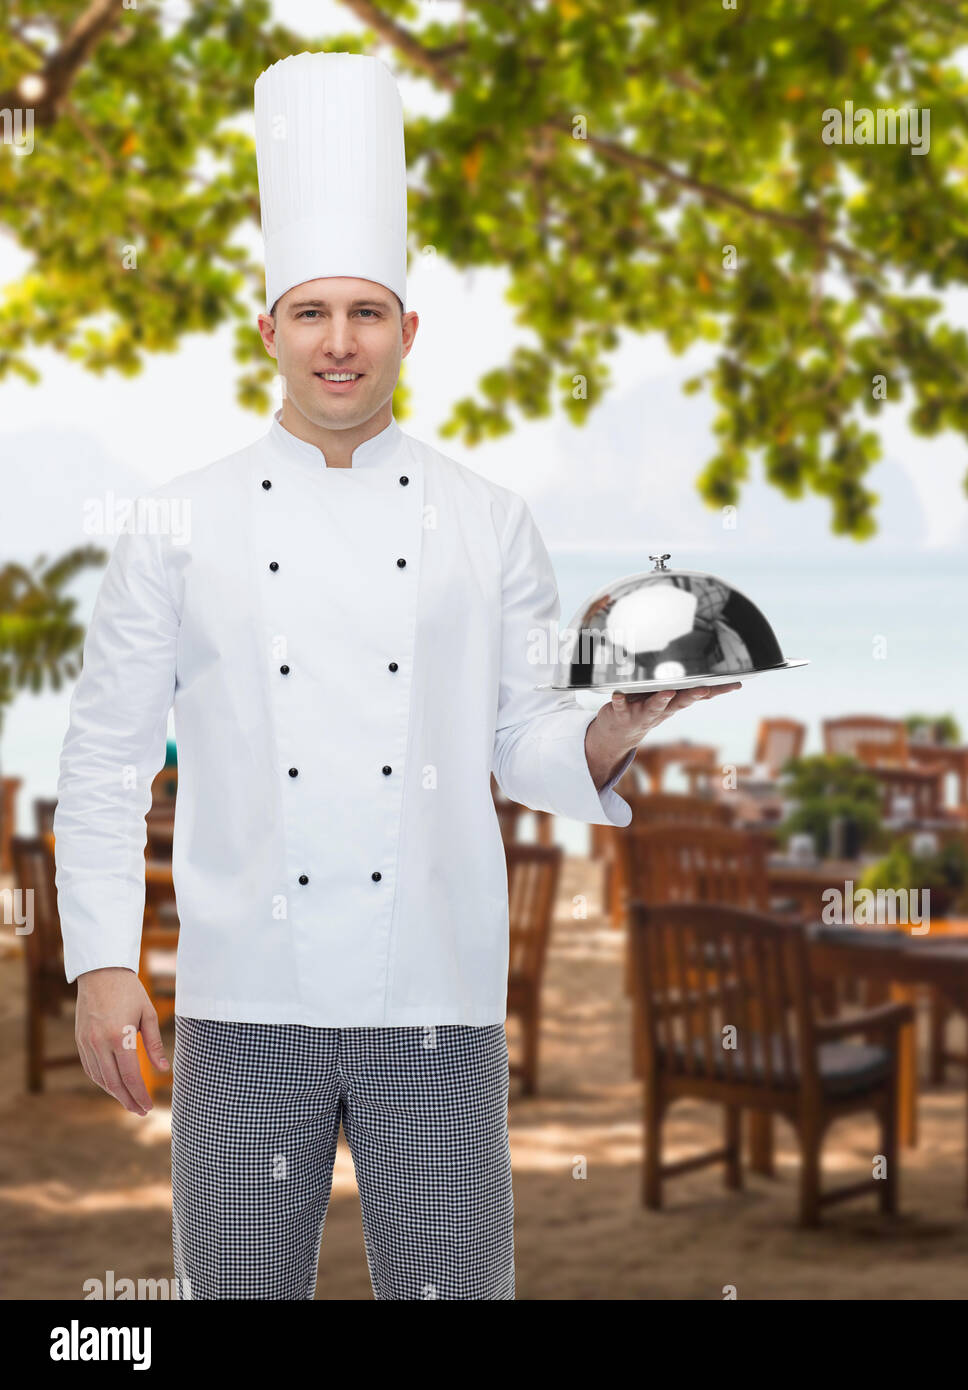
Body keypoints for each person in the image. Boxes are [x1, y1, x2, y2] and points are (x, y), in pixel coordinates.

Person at [52, 51, 740, 1301]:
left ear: (408, 331)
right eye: (310, 312)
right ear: (267, 328)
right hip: (241, 997)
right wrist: (103, 961)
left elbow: (521, 735)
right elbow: (103, 756)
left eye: (365, 313)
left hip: (435, 991)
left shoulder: (486, 518)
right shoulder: (177, 521)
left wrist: (612, 730)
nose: (338, 342)